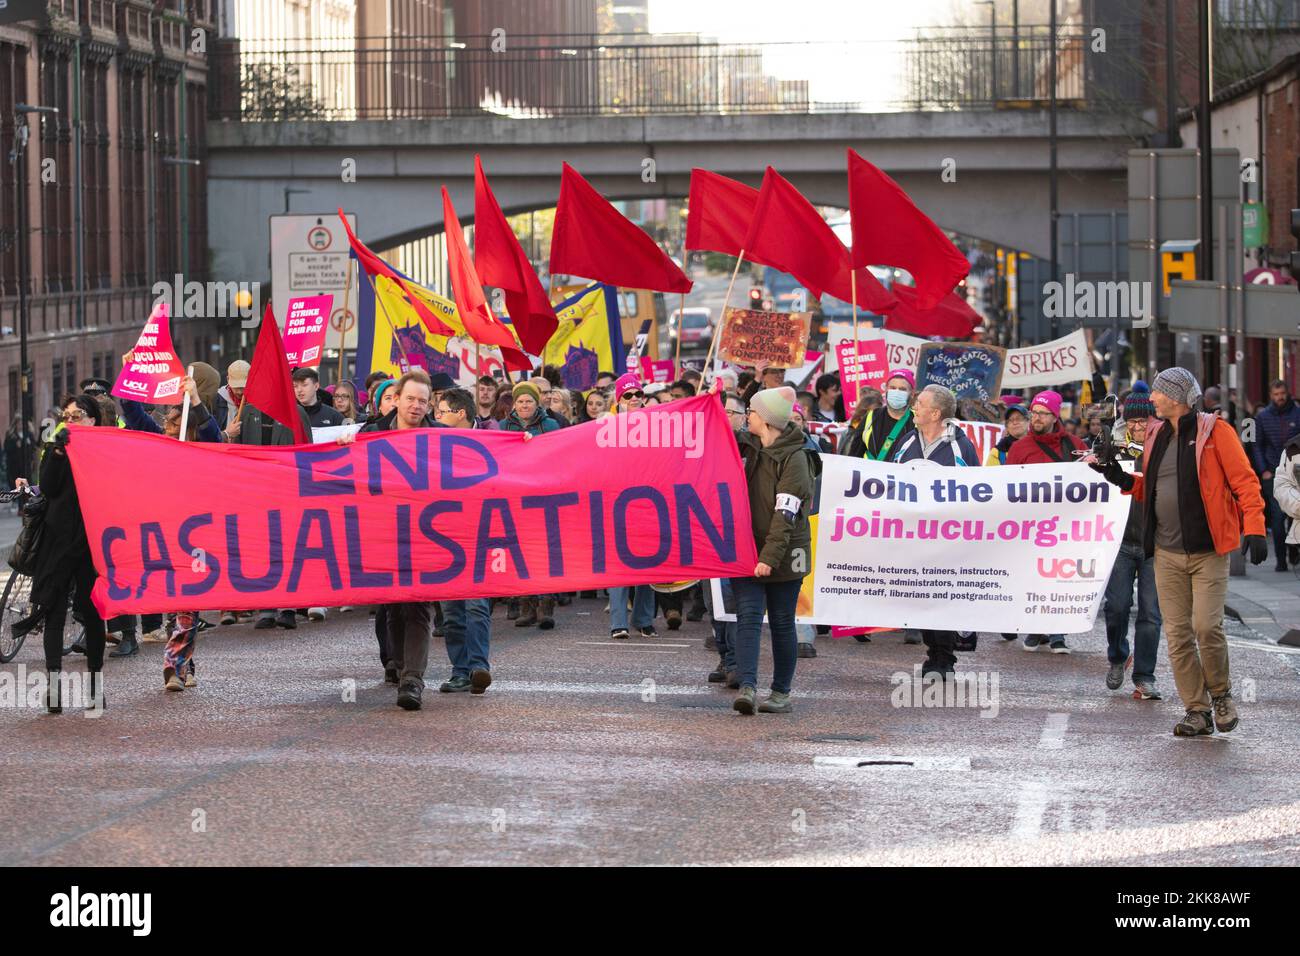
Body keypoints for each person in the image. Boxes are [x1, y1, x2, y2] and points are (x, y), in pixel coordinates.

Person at [1092, 368, 1266, 737]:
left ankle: (1220, 695)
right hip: (1167, 554)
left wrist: (1255, 528)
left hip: (1208, 553)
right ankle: (1197, 711)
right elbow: (1152, 490)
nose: (1151, 399)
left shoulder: (1216, 433)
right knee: (1178, 634)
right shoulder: (1156, 436)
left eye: (1157, 393)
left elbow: (1246, 483)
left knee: (1206, 627)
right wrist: (1122, 478)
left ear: (1176, 396)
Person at [346, 369, 444, 709]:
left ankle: (412, 680)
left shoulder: (444, 436)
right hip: (384, 532)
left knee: (419, 604)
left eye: (422, 401)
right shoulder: (371, 434)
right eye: (411, 399)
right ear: (397, 399)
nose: (416, 406)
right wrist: (343, 448)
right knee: (394, 605)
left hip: (427, 534)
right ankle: (401, 666)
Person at [11, 395, 108, 712]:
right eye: (67, 415)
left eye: (78, 415)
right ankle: (53, 689)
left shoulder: (106, 449)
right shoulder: (57, 447)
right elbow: (49, 487)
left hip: (91, 543)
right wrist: (56, 451)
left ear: (93, 419)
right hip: (57, 541)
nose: (71, 420)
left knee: (93, 614)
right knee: (52, 610)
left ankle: (95, 687)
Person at [731, 386, 819, 715]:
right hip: (746, 548)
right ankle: (748, 687)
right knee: (748, 618)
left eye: (752, 412)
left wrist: (768, 558)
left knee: (782, 622)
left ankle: (781, 692)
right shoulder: (748, 445)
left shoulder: (797, 458)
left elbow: (786, 516)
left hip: (783, 553)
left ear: (766, 421)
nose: (747, 417)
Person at [890, 384, 980, 675]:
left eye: (920, 403)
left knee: (940, 593)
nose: (914, 406)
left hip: (947, 535)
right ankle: (935, 651)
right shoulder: (905, 442)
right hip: (911, 534)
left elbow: (975, 490)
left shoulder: (960, 447)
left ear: (936, 413)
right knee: (920, 594)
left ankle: (943, 658)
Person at [1006, 389, 1088, 654]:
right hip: (1033, 527)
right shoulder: (1019, 448)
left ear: (1055, 416)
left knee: (1061, 579)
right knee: (1036, 578)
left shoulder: (1075, 445)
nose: (1037, 418)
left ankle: (1058, 633)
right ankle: (1036, 626)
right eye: (1034, 413)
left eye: (1043, 413)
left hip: (1068, 527)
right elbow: (1007, 487)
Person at [1096, 384, 1163, 700]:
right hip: (1120, 542)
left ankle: (1144, 674)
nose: (1138, 426)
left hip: (1156, 544)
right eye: (1133, 421)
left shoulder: (1165, 448)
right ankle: (1117, 656)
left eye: (1144, 421)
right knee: (1118, 607)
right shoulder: (1116, 449)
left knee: (1150, 613)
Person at [431, 388, 494, 694]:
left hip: (479, 533)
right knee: (452, 610)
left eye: (441, 412)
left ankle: (479, 665)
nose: (436, 417)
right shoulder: (430, 442)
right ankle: (460, 670)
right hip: (442, 535)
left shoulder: (492, 440)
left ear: (460, 414)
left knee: (476, 605)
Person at [501, 381, 561, 629]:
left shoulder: (550, 425)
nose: (524, 405)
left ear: (537, 403)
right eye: (520, 401)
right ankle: (526, 604)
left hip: (543, 494)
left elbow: (558, 455)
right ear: (514, 404)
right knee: (521, 552)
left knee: (543, 552)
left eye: (529, 401)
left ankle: (546, 605)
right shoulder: (505, 426)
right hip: (515, 496)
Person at [1250, 379, 1300, 570]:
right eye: (1276, 394)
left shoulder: (1297, 413)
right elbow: (1257, 445)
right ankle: (1280, 560)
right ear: (1271, 395)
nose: (1280, 398)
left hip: (1296, 470)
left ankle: (1293, 550)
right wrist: (1264, 470)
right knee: (1278, 517)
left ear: (1287, 393)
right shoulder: (1262, 417)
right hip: (1273, 472)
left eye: (1282, 394)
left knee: (1295, 515)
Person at [840, 369, 915, 461]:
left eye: (902, 389)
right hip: (868, 473)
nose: (897, 392)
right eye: (893, 388)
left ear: (912, 393)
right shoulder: (871, 417)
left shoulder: (917, 421)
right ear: (886, 389)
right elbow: (855, 453)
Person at [293, 367, 344, 431]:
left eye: (304, 385)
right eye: (295, 386)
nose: (299, 390)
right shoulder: (288, 416)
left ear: (316, 386)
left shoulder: (334, 416)